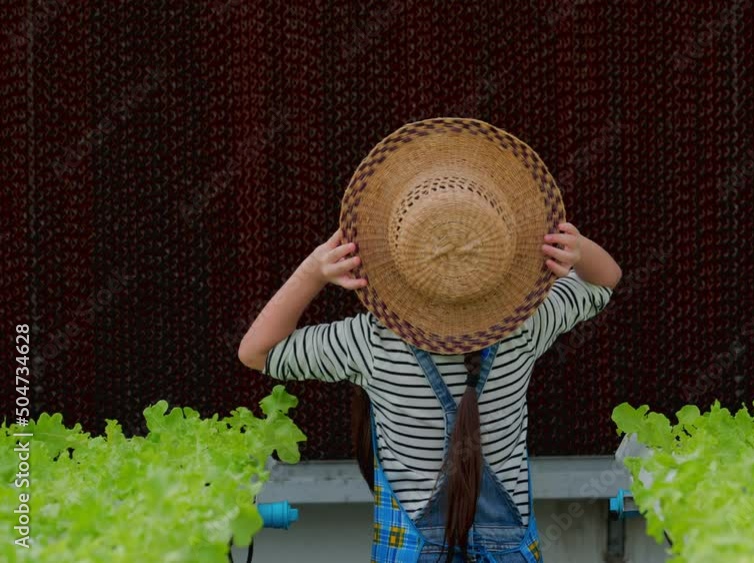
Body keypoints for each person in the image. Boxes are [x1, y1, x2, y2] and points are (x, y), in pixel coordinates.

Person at [239, 118, 621, 562]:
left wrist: (313, 271)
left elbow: (256, 351)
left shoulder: (370, 343)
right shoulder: (527, 328)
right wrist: (575, 247)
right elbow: (605, 281)